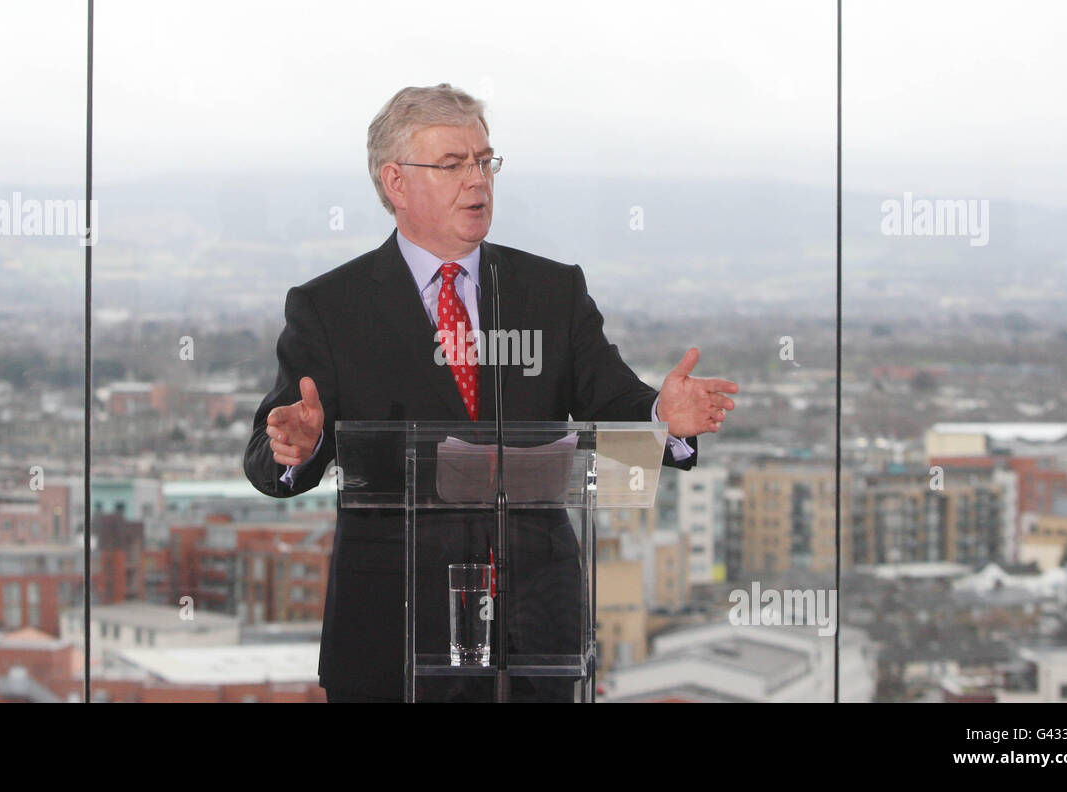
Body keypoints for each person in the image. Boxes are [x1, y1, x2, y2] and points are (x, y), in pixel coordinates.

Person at [244, 83, 738, 702]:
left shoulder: (550, 291)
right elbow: (272, 452)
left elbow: (615, 403)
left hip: (535, 630)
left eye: (484, 161)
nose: (477, 181)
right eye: (453, 165)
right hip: (393, 629)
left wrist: (664, 415)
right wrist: (296, 447)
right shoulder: (330, 307)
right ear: (396, 183)